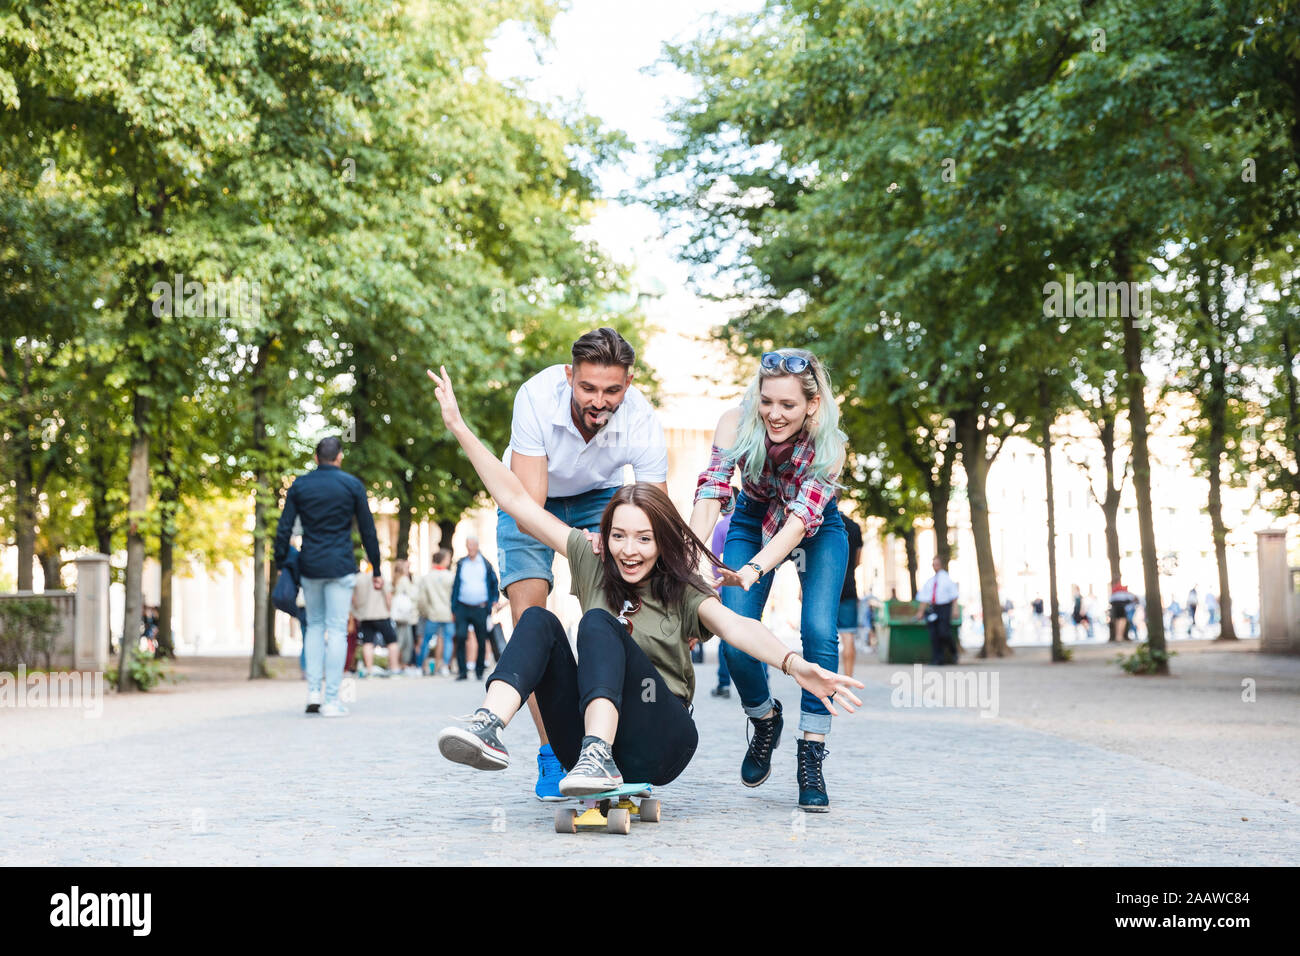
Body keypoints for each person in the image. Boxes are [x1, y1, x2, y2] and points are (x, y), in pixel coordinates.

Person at [427, 367, 863, 804]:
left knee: (598, 623)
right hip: (579, 743)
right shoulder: (592, 557)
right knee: (538, 619)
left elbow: (735, 627)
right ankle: (488, 725)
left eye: (643, 538)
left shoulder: (679, 584)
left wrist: (792, 663)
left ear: (661, 541)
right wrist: (459, 428)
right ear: (604, 536)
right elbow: (517, 501)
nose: (629, 551)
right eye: (618, 536)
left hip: (661, 739)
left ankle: (599, 752)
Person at [496, 327, 670, 801]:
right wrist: (579, 542)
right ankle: (552, 752)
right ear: (570, 376)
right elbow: (532, 512)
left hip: (600, 498)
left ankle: (608, 747)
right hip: (531, 495)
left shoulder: (641, 419)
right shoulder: (535, 397)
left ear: (628, 385)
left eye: (612, 390)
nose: (599, 401)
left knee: (621, 614)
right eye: (588, 388)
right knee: (531, 616)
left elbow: (655, 519)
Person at [689, 348, 851, 811]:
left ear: (812, 405)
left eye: (787, 405)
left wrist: (754, 569)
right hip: (749, 521)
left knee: (819, 632)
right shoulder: (734, 423)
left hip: (817, 531)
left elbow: (799, 523)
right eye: (767, 402)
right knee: (735, 636)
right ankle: (764, 718)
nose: (774, 414)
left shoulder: (830, 445)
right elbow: (712, 491)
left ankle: (811, 754)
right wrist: (691, 553)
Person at [273, 436, 383, 717]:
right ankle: (331, 700)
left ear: (315, 457)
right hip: (341, 566)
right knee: (336, 630)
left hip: (310, 566)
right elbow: (368, 530)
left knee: (314, 626)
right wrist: (377, 568)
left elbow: (284, 527)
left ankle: (312, 693)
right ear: (340, 457)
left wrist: (280, 561)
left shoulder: (300, 485)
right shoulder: (352, 485)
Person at [450, 535, 500, 681]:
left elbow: (493, 583)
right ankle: (462, 671)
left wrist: (494, 600)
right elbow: (456, 586)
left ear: (477, 546)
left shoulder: (485, 564)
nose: (470, 548)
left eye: (473, 545)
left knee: (481, 638)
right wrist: (453, 608)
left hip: (480, 607)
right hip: (462, 607)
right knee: (460, 637)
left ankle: (479, 671)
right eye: (468, 545)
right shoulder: (461, 563)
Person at [417, 549, 456, 675]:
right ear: (444, 560)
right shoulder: (451, 577)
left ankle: (420, 667)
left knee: (426, 640)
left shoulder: (427, 577)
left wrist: (426, 611)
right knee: (447, 640)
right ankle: (444, 666)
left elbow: (422, 599)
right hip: (447, 613)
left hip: (432, 613)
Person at [353, 568, 397, 677]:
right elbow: (388, 595)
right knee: (391, 641)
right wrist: (389, 608)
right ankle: (394, 668)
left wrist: (358, 609)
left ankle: (369, 671)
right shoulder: (379, 575)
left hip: (366, 615)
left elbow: (354, 598)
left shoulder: (358, 578)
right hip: (381, 613)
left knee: (367, 642)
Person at [709, 510, 734, 698]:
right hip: (753, 587)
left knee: (726, 634)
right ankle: (762, 679)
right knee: (755, 628)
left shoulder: (721, 526)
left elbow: (715, 560)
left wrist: (720, 583)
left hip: (727, 589)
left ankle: (724, 684)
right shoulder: (757, 521)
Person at [836, 509, 864, 675]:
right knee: (848, 637)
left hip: (824, 588)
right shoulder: (854, 527)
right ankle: (848, 682)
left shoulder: (819, 521)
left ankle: (826, 680)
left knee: (823, 639)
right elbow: (857, 561)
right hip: (848, 587)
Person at [919, 556, 959, 665]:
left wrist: (955, 610)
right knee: (934, 635)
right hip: (933, 608)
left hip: (944, 607)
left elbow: (954, 596)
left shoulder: (947, 579)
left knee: (944, 633)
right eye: (933, 564)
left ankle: (953, 651)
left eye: (936, 564)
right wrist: (921, 612)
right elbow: (924, 598)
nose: (934, 566)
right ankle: (937, 659)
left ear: (941, 565)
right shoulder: (930, 581)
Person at [390, 559, 421, 674]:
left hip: (399, 614)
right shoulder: (404, 580)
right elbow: (413, 595)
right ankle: (400, 665)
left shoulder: (396, 580)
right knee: (405, 641)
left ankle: (398, 664)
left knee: (401, 639)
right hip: (406, 615)